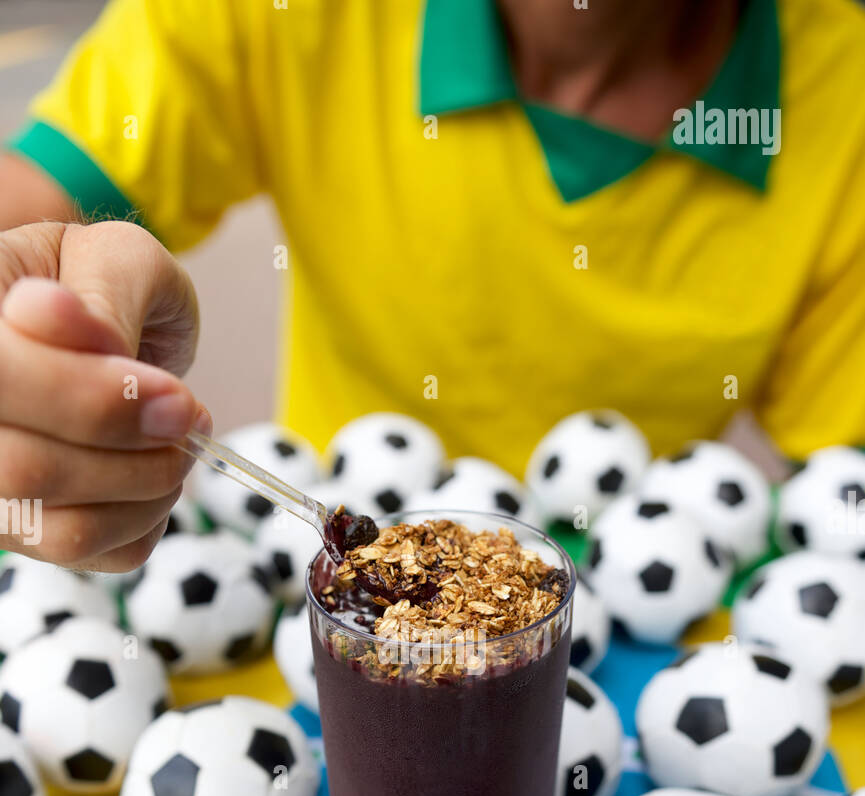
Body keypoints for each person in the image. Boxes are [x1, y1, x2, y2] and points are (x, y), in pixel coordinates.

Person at [1, 0, 865, 571]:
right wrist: (42, 332)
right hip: (310, 590)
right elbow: (33, 216)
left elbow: (839, 503)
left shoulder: (843, 92)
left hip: (640, 618)